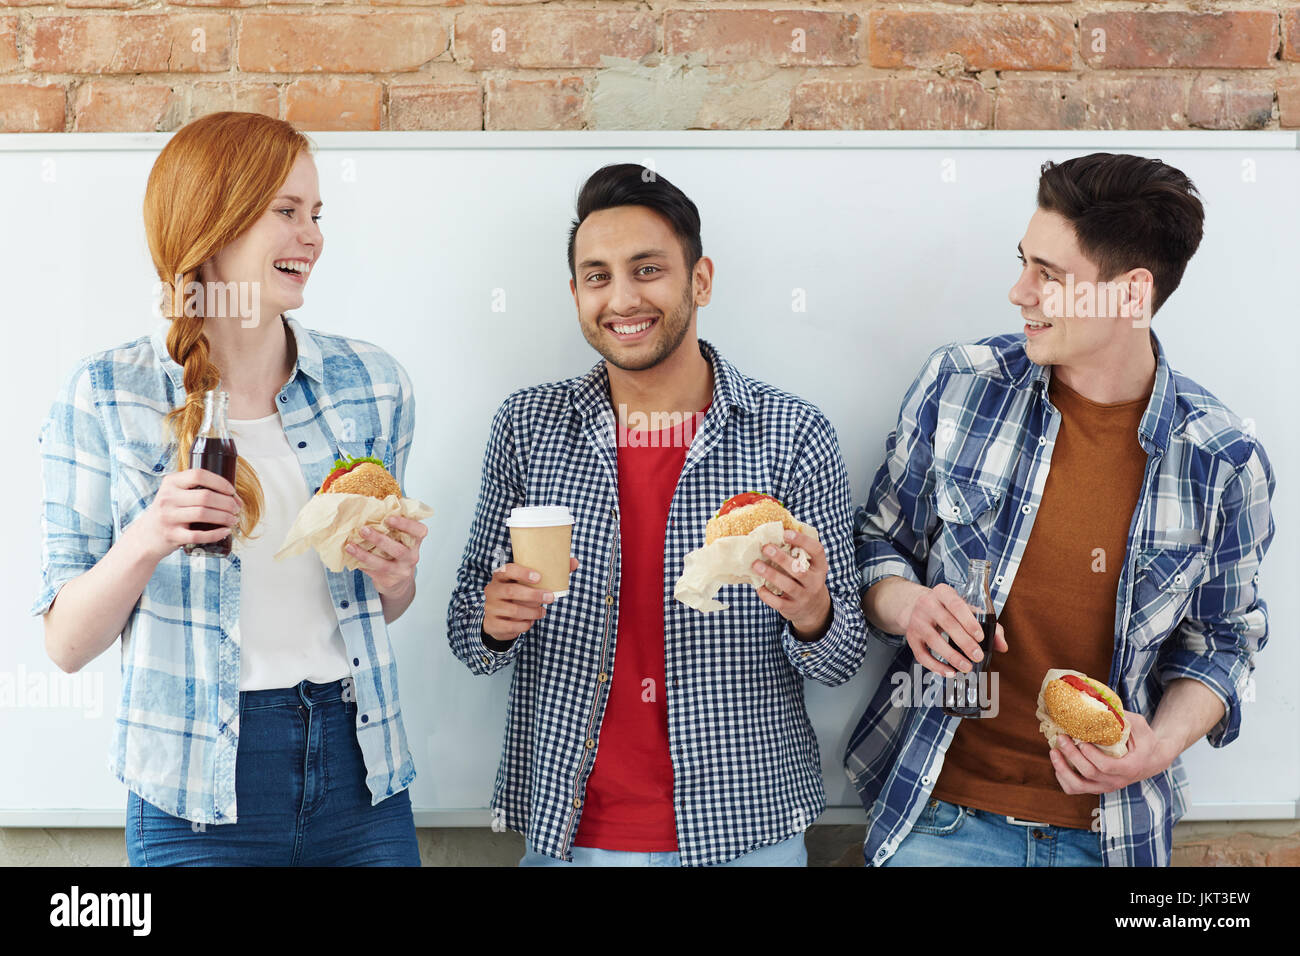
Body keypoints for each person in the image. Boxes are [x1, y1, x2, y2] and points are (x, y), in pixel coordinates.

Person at [848, 152, 1275, 867]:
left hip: (1108, 839)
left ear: (1131, 294)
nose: (1019, 292)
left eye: (1050, 275)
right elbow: (877, 541)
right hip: (940, 815)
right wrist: (907, 607)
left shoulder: (1222, 459)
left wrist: (1159, 747)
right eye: (1024, 262)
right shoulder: (958, 386)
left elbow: (1225, 640)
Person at [32, 111, 427, 866]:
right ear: (210, 223)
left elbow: (382, 607)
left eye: (316, 214)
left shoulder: (372, 385)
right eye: (286, 211)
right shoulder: (106, 393)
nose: (311, 235)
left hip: (361, 774)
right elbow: (66, 643)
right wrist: (149, 534)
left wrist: (397, 578)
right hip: (194, 793)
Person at [447, 163, 867, 867]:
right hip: (570, 832)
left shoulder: (791, 432)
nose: (622, 298)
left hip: (747, 830)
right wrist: (493, 622)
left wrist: (813, 610)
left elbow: (844, 657)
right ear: (576, 292)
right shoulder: (527, 427)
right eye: (598, 275)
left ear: (700, 280)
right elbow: (466, 633)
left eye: (647, 270)